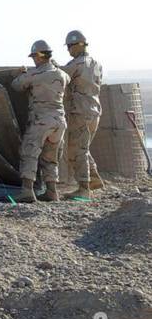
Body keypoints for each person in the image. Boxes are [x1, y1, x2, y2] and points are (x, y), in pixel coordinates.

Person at [10, 40, 70, 203]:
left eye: (34, 57)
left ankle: (27, 191)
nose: (33, 60)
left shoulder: (34, 74)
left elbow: (16, 86)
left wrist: (19, 73)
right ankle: (52, 192)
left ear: (39, 56)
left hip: (41, 121)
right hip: (59, 121)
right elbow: (68, 79)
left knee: (29, 152)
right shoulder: (62, 74)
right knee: (50, 157)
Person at [60, 30, 103, 199]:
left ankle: (84, 189)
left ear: (78, 45)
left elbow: (60, 77)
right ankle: (93, 180)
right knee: (83, 147)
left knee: (77, 150)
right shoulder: (96, 63)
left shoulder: (76, 64)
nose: (68, 50)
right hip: (94, 111)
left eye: (70, 46)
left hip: (81, 111)